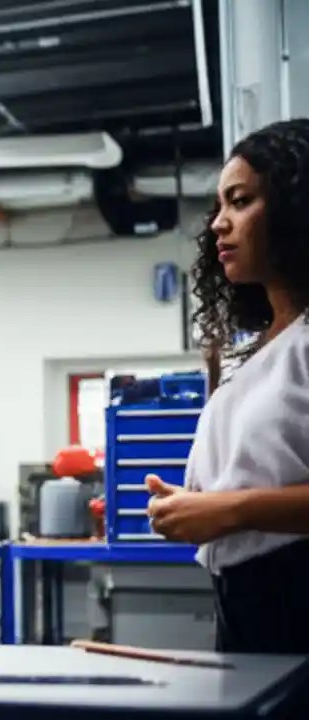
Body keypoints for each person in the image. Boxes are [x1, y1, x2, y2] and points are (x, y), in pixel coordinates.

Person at [146, 117, 309, 655]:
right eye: (218, 207)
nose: (219, 223)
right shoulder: (262, 348)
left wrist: (231, 510)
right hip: (245, 601)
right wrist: (193, 504)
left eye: (240, 202)